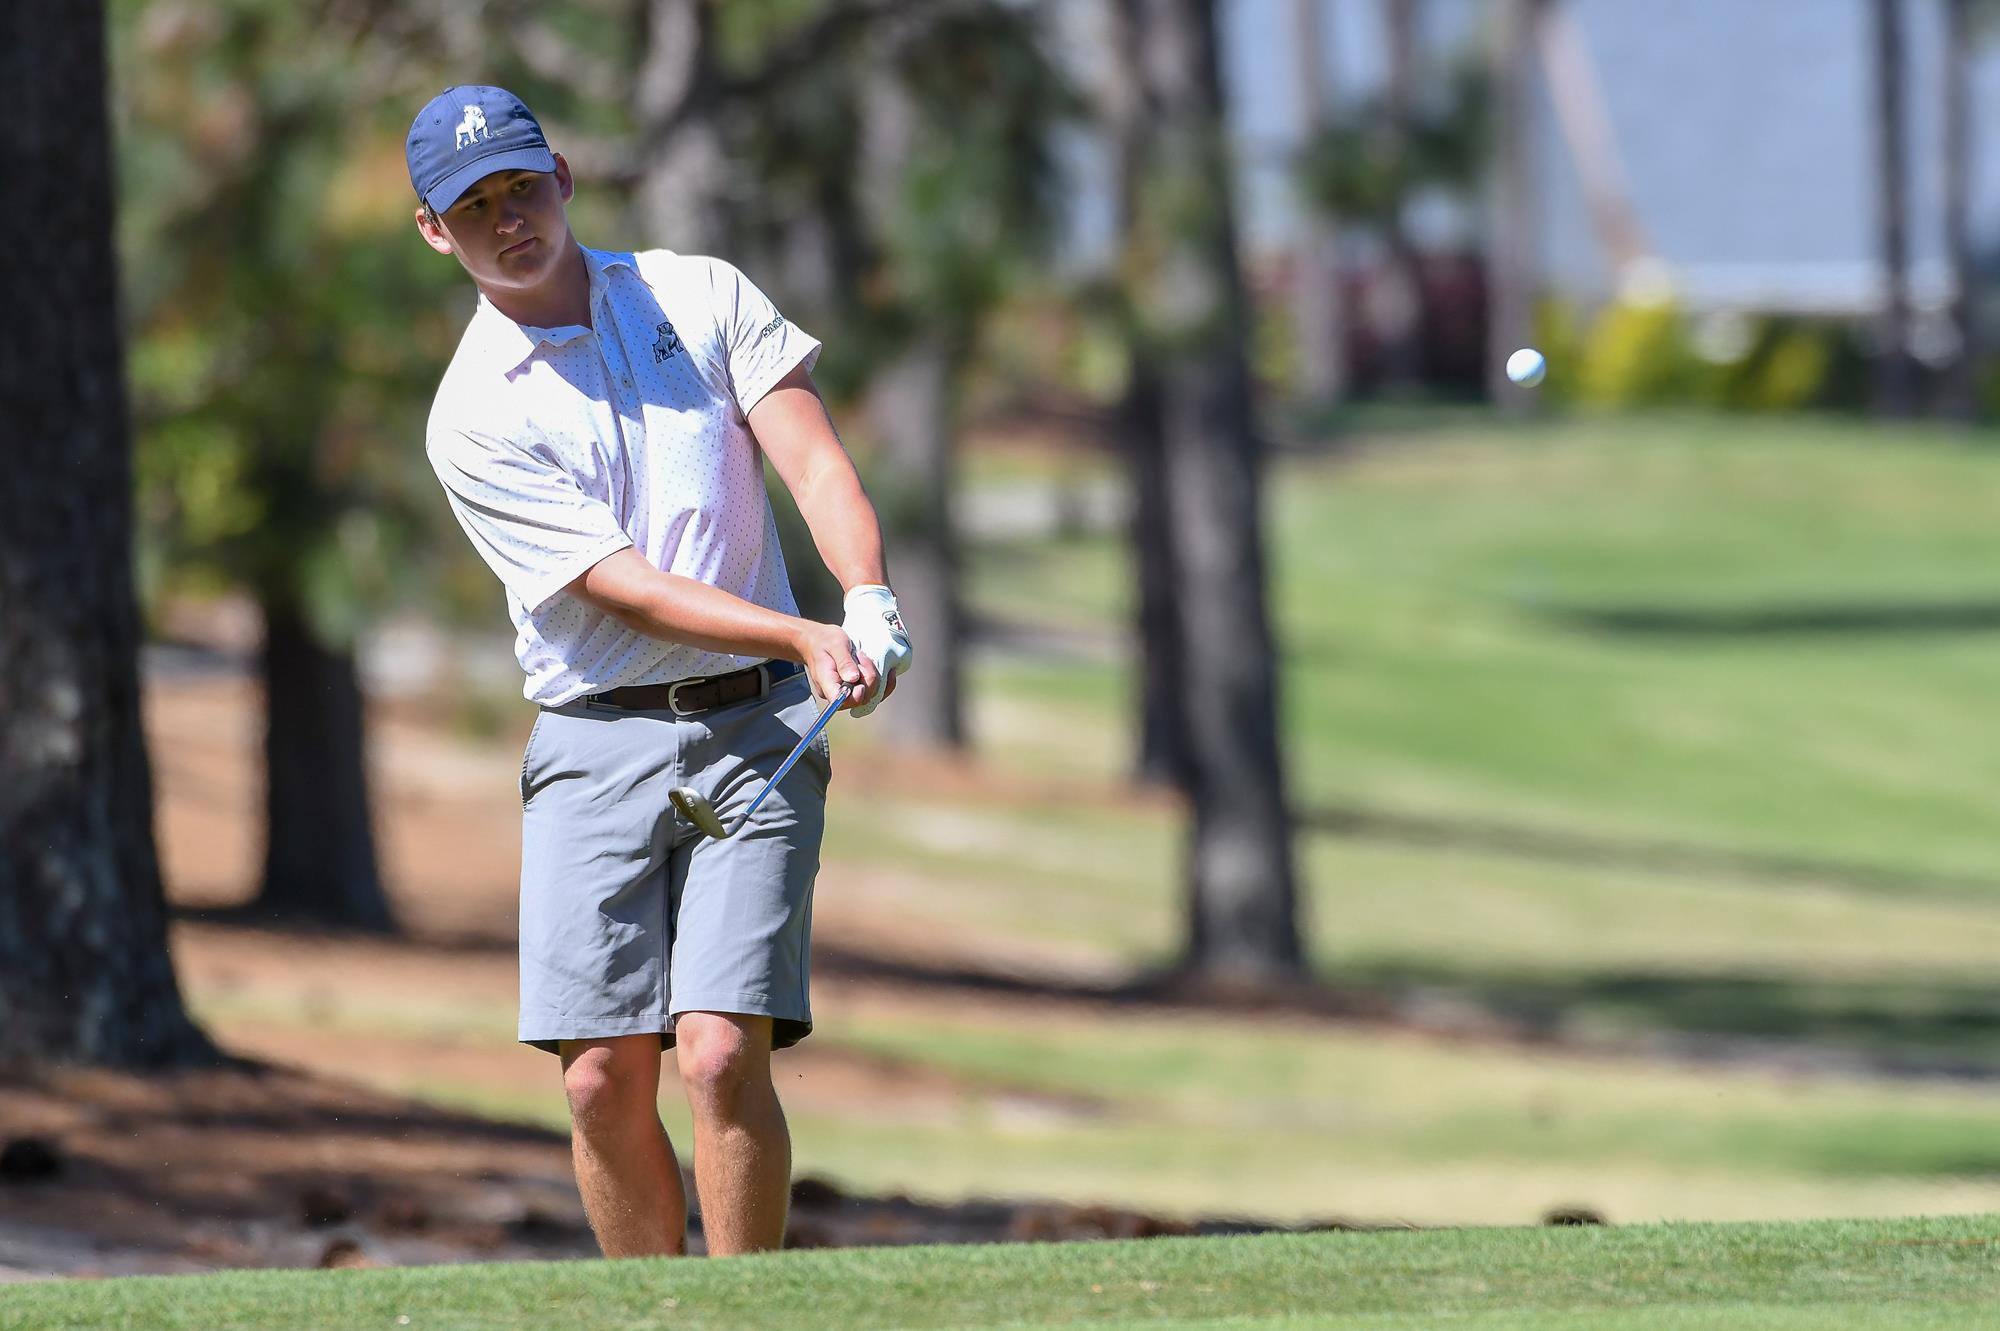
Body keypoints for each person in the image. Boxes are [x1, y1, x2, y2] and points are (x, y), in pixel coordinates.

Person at [406, 85, 912, 1257]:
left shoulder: (699, 293)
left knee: (721, 1048)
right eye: (472, 207)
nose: (507, 219)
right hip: (592, 739)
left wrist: (866, 593)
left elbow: (813, 458)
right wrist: (796, 633)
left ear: (563, 177)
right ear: (435, 231)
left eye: (521, 187)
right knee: (595, 1077)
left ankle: (745, 1306)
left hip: (754, 735)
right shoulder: (472, 412)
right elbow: (618, 583)